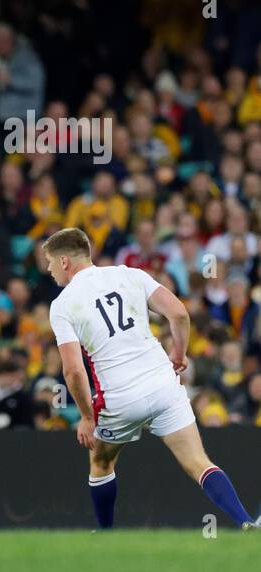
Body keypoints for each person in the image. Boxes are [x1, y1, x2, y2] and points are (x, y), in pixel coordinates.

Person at [44, 227, 257, 530]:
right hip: (163, 384)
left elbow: (73, 371)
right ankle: (245, 522)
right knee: (199, 462)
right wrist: (180, 354)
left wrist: (86, 417)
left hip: (119, 398)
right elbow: (180, 314)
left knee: (102, 464)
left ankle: (105, 536)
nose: (50, 271)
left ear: (64, 261)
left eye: (50, 263)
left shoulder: (62, 305)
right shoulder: (131, 274)